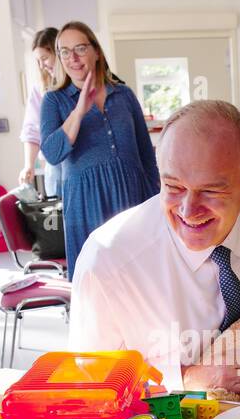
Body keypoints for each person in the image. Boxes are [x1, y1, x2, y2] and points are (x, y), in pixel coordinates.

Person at [68, 100, 240, 395]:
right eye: (174, 186)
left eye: (210, 190)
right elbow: (90, 382)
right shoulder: (107, 262)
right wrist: (186, 377)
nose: (189, 210)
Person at [40, 21, 159, 277]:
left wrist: (157, 203)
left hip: (131, 199)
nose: (72, 58)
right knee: (96, 279)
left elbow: (146, 155)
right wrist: (79, 110)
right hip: (86, 203)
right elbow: (51, 153)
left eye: (80, 48)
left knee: (138, 278)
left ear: (96, 51)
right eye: (64, 51)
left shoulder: (124, 95)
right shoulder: (54, 100)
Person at [19, 27, 63, 194]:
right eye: (38, 61)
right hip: (54, 169)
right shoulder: (40, 90)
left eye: (44, 58)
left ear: (58, 53)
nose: (42, 65)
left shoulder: (78, 85)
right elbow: (31, 129)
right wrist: (28, 165)